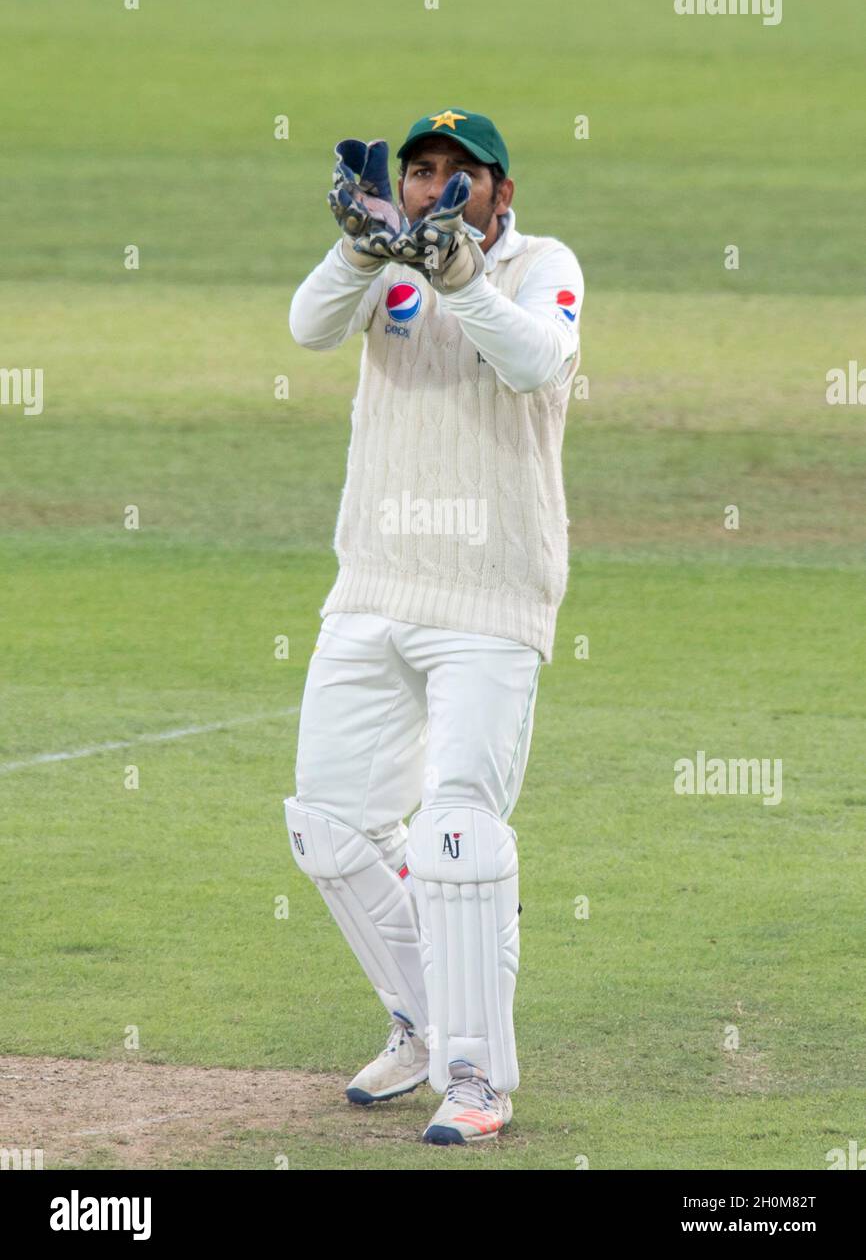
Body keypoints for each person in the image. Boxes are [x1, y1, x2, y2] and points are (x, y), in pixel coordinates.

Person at [284, 108, 584, 1145]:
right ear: (399, 184)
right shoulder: (383, 257)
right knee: (326, 824)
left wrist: (462, 276)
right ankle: (421, 1020)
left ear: (504, 190)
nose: (439, 185)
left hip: (491, 598)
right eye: (422, 170)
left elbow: (537, 361)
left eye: (464, 172)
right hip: (371, 585)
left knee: (455, 832)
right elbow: (307, 328)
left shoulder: (542, 264)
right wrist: (353, 246)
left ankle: (476, 1077)